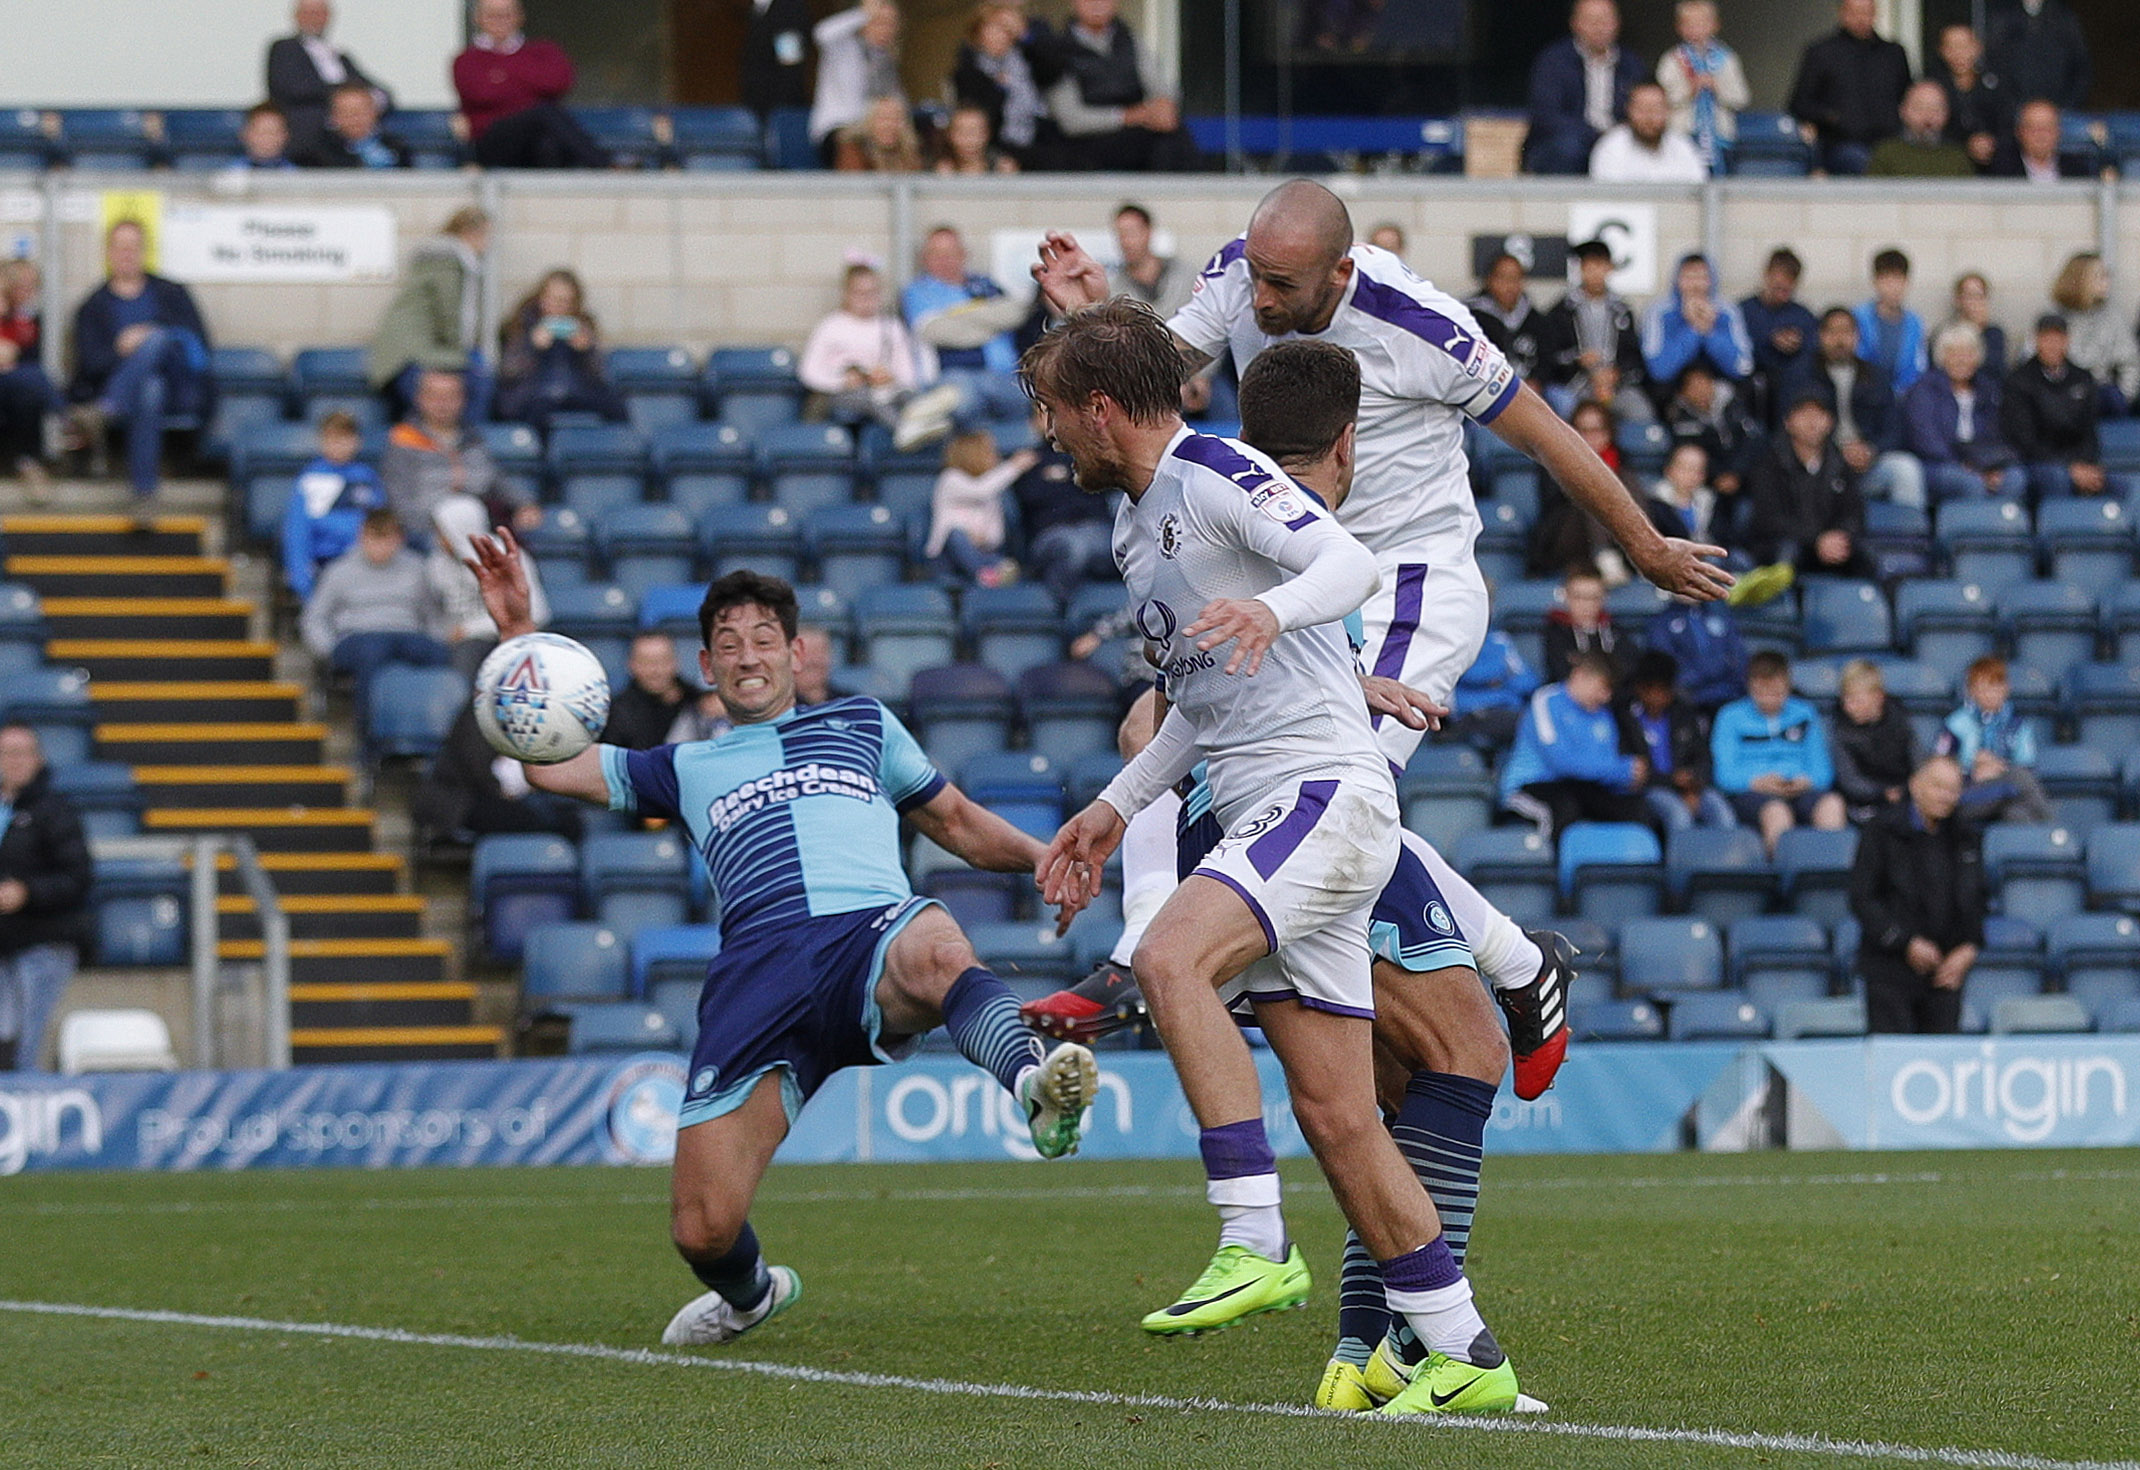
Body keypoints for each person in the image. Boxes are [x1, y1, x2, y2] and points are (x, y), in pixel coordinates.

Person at [1032, 180, 1732, 1108]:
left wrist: (1643, 546)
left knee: (1338, 782)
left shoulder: (1423, 326)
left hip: (1405, 583)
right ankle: (1180, 945)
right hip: (1284, 573)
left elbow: (1547, 433)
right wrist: (1091, 319)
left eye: (1283, 285)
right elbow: (1148, 382)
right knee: (1149, 728)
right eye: (1257, 278)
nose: (1262, 301)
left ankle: (1512, 969)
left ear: (1343, 271)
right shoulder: (1243, 280)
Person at [1026, 303, 1527, 1416]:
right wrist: (1111, 810)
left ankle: (1254, 1237)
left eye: (1054, 411)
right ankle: (1463, 1352)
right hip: (1267, 804)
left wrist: (1269, 607)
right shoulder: (1133, 528)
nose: (1049, 432)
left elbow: (1345, 559)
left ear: (1100, 409)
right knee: (1339, 1114)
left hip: (1320, 798)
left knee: (1166, 963)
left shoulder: (1215, 470)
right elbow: (1197, 708)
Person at [464, 545, 1100, 1347]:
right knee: (702, 1229)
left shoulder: (864, 723)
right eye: (728, 644)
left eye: (764, 638)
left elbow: (959, 825)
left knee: (939, 947)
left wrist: (1046, 856)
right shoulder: (683, 764)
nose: (747, 656)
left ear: (796, 652)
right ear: (705, 666)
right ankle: (752, 1295)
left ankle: (1033, 1085)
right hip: (757, 976)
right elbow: (552, 767)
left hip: (867, 936)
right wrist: (520, 635)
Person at [65, 219, 213, 505]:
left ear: (144, 251)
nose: (127, 254)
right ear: (108, 253)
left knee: (156, 341)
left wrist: (146, 336)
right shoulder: (93, 306)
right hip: (129, 390)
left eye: (133, 247)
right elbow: (89, 365)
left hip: (178, 389)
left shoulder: (172, 294)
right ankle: (145, 495)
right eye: (121, 247)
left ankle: (106, 410)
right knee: (149, 389)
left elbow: (198, 344)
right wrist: (120, 349)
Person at [1850, 755, 1983, 1035]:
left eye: (1953, 789)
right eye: (1938, 786)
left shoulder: (1966, 837)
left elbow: (1978, 898)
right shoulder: (1880, 831)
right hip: (1890, 973)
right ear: (1915, 785)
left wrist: (1969, 947)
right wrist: (1905, 943)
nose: (1946, 797)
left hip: (1946, 977)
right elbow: (1862, 898)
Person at [299, 509, 450, 732]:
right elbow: (315, 617)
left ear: (399, 539)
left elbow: (432, 615)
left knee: (441, 656)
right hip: (359, 638)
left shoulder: (417, 568)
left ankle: (434, 734)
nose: (380, 546)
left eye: (386, 538)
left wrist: (439, 638)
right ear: (362, 536)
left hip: (406, 635)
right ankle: (370, 738)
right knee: (374, 653)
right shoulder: (339, 571)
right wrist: (327, 649)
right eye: (374, 538)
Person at [0, 725, 92, 1073]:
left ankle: (30, 1112)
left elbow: (78, 877)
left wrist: (26, 892)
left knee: (27, 1043)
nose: (14, 761)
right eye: (7, 753)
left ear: (38, 759)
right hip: (4, 947)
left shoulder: (55, 811)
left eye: (22, 752)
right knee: (5, 1039)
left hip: (42, 943)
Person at [1786, 306, 1925, 508]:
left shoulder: (1876, 377)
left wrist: (1871, 450)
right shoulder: (1800, 375)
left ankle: (1907, 537)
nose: (1840, 339)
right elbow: (1787, 429)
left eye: (1846, 332)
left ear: (1857, 336)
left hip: (1867, 463)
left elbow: (1893, 428)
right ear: (1820, 336)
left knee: (1905, 469)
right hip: (1818, 469)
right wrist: (1836, 453)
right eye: (1832, 332)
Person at [1710, 650, 1846, 855]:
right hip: (1753, 792)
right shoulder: (1730, 716)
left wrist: (1807, 781)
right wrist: (1758, 782)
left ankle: (1828, 878)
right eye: (1761, 692)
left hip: (1800, 789)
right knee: (1777, 813)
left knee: (1832, 805)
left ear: (1787, 685)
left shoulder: (1805, 713)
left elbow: (1822, 770)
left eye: (1776, 692)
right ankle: (1786, 879)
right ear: (1750, 686)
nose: (1769, 699)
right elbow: (1724, 775)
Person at [1500, 653, 1649, 838]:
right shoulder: (1546, 700)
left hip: (1581, 788)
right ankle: (1555, 866)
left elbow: (1604, 764)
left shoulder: (1603, 716)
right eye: (1602, 687)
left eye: (1610, 691)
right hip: (1532, 786)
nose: (1606, 697)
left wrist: (1629, 776)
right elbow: (1562, 762)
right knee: (1565, 809)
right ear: (1580, 675)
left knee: (1636, 809)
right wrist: (1624, 769)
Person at [367, 207, 492, 422]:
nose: (488, 244)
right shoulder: (451, 263)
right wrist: (463, 358)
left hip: (408, 355)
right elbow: (453, 319)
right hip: (411, 356)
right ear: (470, 233)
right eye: (486, 235)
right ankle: (468, 449)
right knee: (479, 381)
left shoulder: (440, 260)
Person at [382, 369, 540, 539]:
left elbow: (495, 480)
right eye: (434, 396)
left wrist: (524, 504)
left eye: (450, 396)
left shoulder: (474, 439)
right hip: (426, 537)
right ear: (419, 398)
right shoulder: (403, 440)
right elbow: (398, 502)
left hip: (476, 528)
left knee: (517, 558)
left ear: (463, 399)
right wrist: (435, 534)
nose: (442, 403)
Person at [452, 0, 609, 170]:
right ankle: (605, 166)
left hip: (537, 142)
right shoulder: (466, 61)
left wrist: (502, 76)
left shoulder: (544, 51)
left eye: (506, 15)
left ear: (519, 17)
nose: (499, 21)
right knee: (543, 112)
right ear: (478, 19)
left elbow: (560, 82)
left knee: (548, 144)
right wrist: (532, 87)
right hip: (492, 142)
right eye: (492, 15)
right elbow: (481, 94)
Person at [900, 226, 1028, 434]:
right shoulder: (918, 291)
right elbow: (935, 331)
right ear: (925, 259)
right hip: (956, 377)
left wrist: (960, 319)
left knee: (1030, 400)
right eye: (937, 255)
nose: (945, 260)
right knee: (963, 401)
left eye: (951, 254)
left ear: (963, 255)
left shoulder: (985, 285)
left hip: (1007, 378)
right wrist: (992, 322)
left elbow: (1016, 313)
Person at [1044, 0, 1194, 172]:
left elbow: (1160, 86)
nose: (1097, 4)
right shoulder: (1056, 50)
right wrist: (1128, 117)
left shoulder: (1131, 42)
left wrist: (1164, 105)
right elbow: (1071, 120)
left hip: (1138, 134)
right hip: (1088, 142)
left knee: (1175, 137)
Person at [1741, 390, 1874, 579]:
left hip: (1831, 545)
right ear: (1788, 422)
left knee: (1865, 557)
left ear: (1830, 422)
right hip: (1787, 545)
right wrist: (1815, 540)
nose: (1812, 421)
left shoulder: (1841, 465)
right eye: (1804, 413)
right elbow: (1769, 520)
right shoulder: (1768, 465)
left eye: (1819, 414)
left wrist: (1839, 536)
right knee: (1786, 554)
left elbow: (1854, 513)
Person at [427, 493, 547, 679]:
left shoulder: (508, 557)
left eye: (441, 531)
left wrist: (470, 629)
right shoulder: (436, 564)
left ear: (458, 528)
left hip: (511, 637)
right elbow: (433, 615)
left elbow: (539, 614)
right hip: (457, 643)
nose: (438, 539)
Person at [422, 705, 583, 843]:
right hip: (466, 799)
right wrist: (504, 790)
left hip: (522, 795)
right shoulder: (480, 712)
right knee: (525, 819)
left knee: (570, 822)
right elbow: (476, 768)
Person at [1902, 322, 2025, 502]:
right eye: (1954, 353)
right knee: (1970, 483)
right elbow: (1925, 439)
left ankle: (2002, 529)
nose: (1961, 359)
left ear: (1977, 357)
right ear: (1942, 357)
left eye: (1968, 353)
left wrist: (1991, 466)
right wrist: (1965, 465)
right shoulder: (1924, 389)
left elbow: (1998, 434)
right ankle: (1974, 530)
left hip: (1982, 463)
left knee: (2014, 478)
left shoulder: (1988, 389)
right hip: (1939, 464)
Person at [1787, 0, 1912, 176]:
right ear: (1842, 13)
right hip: (1841, 144)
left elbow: (1908, 97)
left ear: (1875, 13)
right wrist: (1832, 117)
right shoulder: (1821, 52)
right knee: (1863, 163)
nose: (1861, 18)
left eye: (1866, 12)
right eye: (1854, 12)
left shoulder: (1894, 53)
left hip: (1891, 142)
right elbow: (1799, 104)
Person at [1523, 0, 1645, 177]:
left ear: (1617, 23)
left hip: (1617, 143)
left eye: (1605, 20)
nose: (1599, 27)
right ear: (1575, 24)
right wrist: (1595, 135)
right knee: (1569, 148)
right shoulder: (1553, 61)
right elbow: (1546, 116)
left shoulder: (1632, 64)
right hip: (1566, 144)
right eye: (1591, 21)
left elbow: (1641, 108)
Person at [1618, 649, 1734, 834]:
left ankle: (1728, 862)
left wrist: (1694, 783)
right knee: (1678, 814)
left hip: (1690, 787)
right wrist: (1672, 781)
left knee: (1721, 812)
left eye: (1664, 690)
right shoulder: (1623, 719)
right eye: (1652, 689)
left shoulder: (1683, 713)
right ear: (1640, 688)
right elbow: (1629, 772)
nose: (1658, 696)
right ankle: (1684, 863)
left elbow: (1702, 755)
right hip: (1649, 790)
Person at [494, 269, 626, 430]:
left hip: (575, 394)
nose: (559, 307)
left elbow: (602, 377)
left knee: (616, 406)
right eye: (554, 300)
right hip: (533, 398)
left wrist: (586, 351)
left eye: (566, 302)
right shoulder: (519, 325)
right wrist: (531, 347)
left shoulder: (583, 326)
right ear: (541, 298)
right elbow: (507, 373)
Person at [1538, 237, 1650, 422]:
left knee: (1640, 411)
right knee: (1565, 409)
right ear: (1581, 269)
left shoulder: (1622, 311)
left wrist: (1615, 373)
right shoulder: (1561, 311)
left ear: (1610, 268)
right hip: (1575, 387)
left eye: (1600, 266)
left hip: (1615, 386)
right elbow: (1550, 356)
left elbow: (1633, 357)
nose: (1595, 273)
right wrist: (1578, 360)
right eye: (1589, 267)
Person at [2004, 312, 2113, 501]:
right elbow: (2026, 441)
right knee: (2057, 478)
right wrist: (2070, 468)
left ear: (2067, 341)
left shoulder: (2083, 378)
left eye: (2058, 338)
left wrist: (2086, 466)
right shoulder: (2019, 381)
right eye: (2047, 339)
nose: (2053, 345)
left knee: (2130, 486)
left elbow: (2089, 432)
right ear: (2036, 341)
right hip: (2039, 464)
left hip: (2081, 464)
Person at [265, 0, 394, 159]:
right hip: (310, 136)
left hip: (346, 139)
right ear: (296, 16)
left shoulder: (339, 55)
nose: (314, 18)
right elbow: (293, 89)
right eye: (309, 13)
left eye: (320, 13)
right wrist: (344, 98)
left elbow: (373, 89)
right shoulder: (284, 48)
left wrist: (364, 104)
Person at [799, 261, 920, 430]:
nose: (866, 299)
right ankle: (906, 430)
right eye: (859, 293)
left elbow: (908, 375)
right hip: (841, 394)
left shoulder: (892, 326)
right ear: (846, 293)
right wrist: (841, 381)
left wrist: (889, 377)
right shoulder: (831, 325)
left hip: (885, 391)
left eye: (872, 293)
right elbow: (808, 372)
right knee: (870, 399)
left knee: (909, 397)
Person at [281, 410, 385, 602]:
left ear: (357, 441)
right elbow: (297, 533)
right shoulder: (309, 479)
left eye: (346, 438)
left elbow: (380, 524)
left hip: (365, 564)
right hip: (324, 566)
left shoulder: (367, 478)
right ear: (321, 441)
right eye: (333, 438)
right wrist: (302, 582)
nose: (339, 445)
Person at [1937, 655, 2053, 824]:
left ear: (2006, 688)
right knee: (2019, 779)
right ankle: (2052, 828)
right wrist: (1971, 772)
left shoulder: (2018, 726)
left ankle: (2038, 847)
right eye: (1983, 688)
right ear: (1971, 691)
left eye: (1996, 686)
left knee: (2015, 813)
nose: (1990, 693)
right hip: (1964, 796)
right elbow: (1939, 767)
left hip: (2005, 792)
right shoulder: (1955, 724)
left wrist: (1997, 769)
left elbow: (2028, 767)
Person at [1010, 410, 1114, 599]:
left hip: (1096, 529)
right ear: (1033, 422)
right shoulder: (1027, 461)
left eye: (1055, 413)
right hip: (1052, 534)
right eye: (1043, 415)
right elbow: (1030, 498)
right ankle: (1061, 615)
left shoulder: (1089, 457)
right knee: (1074, 547)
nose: (1052, 421)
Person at [951, 0, 1055, 172]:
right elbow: (981, 118)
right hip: (996, 148)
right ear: (978, 34)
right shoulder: (968, 70)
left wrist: (1026, 36)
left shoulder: (1026, 62)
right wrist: (999, 88)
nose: (999, 35)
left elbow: (1054, 69)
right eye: (992, 29)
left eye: (1005, 30)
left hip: (1033, 139)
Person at [927, 429, 1033, 585]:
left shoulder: (993, 491)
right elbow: (981, 490)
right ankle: (985, 577)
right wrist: (1014, 467)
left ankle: (990, 576)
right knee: (956, 536)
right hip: (948, 559)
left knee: (1007, 565)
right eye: (989, 453)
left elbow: (996, 536)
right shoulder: (950, 479)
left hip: (982, 553)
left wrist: (984, 540)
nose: (996, 457)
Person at [1642, 253, 1754, 394]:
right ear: (1677, 280)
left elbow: (1743, 367)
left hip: (1719, 385)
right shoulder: (1658, 312)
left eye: (1702, 278)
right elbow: (1659, 371)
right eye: (1689, 278)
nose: (1695, 285)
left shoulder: (1727, 311)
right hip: (1674, 388)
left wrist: (1709, 332)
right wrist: (1693, 330)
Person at [1656, 0, 1747, 173]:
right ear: (1679, 27)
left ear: (1715, 25)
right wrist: (1690, 90)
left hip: (1720, 137)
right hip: (1682, 135)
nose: (1696, 29)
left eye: (1702, 23)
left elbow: (1741, 98)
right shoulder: (1673, 59)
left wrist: (1716, 86)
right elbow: (1662, 100)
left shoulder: (1726, 58)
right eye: (1689, 24)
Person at [809, 0, 905, 165]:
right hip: (838, 128)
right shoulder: (843, 47)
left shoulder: (885, 60)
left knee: (908, 140)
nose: (885, 29)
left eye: (890, 24)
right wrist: (862, 13)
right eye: (879, 22)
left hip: (874, 130)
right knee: (855, 144)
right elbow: (821, 33)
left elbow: (896, 100)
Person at [2049, 251, 2138, 417]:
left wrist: (2124, 395)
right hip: (2062, 394)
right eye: (2100, 276)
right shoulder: (2054, 317)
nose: (2107, 282)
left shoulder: (2113, 317)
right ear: (2080, 279)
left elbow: (2130, 362)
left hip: (2102, 395)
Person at [0, 258, 62, 498]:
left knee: (27, 388)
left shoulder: (27, 322)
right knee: (32, 377)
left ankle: (29, 465)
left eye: (31, 286)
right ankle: (68, 417)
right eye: (19, 285)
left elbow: (20, 354)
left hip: (14, 390)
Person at [1831, 659, 1918, 825]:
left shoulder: (1901, 722)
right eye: (1846, 700)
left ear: (1878, 697)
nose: (1849, 707)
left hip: (1904, 796)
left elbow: (1918, 763)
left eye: (1857, 701)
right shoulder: (1841, 729)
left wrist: (1907, 790)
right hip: (1862, 803)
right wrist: (1882, 793)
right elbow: (1849, 779)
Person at [1739, 247, 1818, 426]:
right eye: (1779, 285)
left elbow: (1813, 352)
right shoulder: (1744, 311)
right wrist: (1770, 342)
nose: (1783, 291)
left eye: (1788, 287)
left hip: (1790, 388)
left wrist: (1797, 345)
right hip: (1752, 388)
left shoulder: (1802, 316)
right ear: (1767, 275)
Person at [1662, 361, 1758, 501]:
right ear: (1683, 393)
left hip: (1745, 476)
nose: (1700, 390)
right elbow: (1690, 450)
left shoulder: (1734, 403)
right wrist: (1718, 475)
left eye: (1703, 382)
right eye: (1692, 386)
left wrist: (1736, 473)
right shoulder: (1680, 418)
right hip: (1709, 482)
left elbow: (1753, 439)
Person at [1588, 82, 1707, 184]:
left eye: (1656, 109)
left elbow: (1698, 192)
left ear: (1668, 111)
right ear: (1629, 111)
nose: (1649, 117)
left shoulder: (1683, 147)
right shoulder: (1610, 148)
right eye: (1642, 109)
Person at [1645, 595, 1746, 713]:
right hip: (1685, 702)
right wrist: (1708, 673)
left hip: (1728, 697)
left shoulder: (1721, 616)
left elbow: (1739, 660)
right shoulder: (1661, 623)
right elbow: (1664, 668)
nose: (1691, 583)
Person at [1985, 0, 2090, 112]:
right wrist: (2015, 108)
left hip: (2060, 113)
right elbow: (1994, 66)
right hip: (2016, 114)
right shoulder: (2002, 19)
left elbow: (2081, 68)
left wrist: (2065, 107)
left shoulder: (2064, 18)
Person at [1928, 24, 2007, 168]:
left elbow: (2007, 123)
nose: (1959, 53)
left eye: (1965, 46)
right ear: (1942, 51)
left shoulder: (1995, 82)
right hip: (1946, 161)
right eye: (1951, 47)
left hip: (1994, 161)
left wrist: (1991, 143)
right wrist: (1966, 144)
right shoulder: (1932, 86)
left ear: (1978, 48)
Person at [1853, 248, 1927, 397]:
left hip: (1903, 399)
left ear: (1906, 282)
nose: (1893, 287)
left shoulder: (1915, 323)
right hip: (1866, 396)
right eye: (1886, 279)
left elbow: (1918, 366)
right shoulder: (1858, 317)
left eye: (1898, 279)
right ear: (1875, 281)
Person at [1867, 82, 1977, 177]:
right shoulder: (1886, 154)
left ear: (1946, 114)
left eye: (1936, 109)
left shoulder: (1957, 157)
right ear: (1903, 111)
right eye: (1919, 108)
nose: (1928, 116)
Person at [1465, 253, 1544, 384]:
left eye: (1515, 279)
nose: (1509, 286)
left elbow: (1547, 358)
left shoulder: (1533, 317)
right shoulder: (1471, 315)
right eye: (1503, 278)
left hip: (1528, 386)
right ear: (1489, 280)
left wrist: (1537, 380)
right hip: (1485, 387)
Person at [604, 632, 690, 750]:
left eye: (663, 661)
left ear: (676, 662)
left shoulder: (701, 704)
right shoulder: (616, 714)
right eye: (646, 662)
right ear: (631, 665)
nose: (655, 670)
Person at [1542, 568, 1626, 684]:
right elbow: (1560, 671)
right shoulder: (1557, 632)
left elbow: (1627, 669)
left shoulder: (1615, 631)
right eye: (1579, 597)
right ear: (1566, 596)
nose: (1586, 605)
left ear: (1604, 598)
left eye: (1594, 598)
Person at [299, 81, 410, 168]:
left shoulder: (397, 148)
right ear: (333, 116)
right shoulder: (316, 154)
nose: (355, 118)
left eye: (362, 111)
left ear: (375, 112)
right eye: (347, 112)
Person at [1111, 203, 1190, 319]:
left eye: (1132, 233)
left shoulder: (1185, 277)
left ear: (1148, 232)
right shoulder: (1115, 290)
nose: (1126, 242)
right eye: (1121, 235)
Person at [741, 0, 812, 120]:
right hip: (757, 109)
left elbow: (790, 64)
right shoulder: (759, 8)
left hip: (780, 112)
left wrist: (780, 114)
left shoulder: (788, 8)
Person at [1990, 98, 2089, 181]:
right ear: (2019, 132)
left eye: (2048, 127)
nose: (2041, 135)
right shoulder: (2001, 171)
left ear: (2058, 132)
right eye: (2033, 128)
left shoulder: (2078, 171)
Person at [1647, 441, 1722, 549]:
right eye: (1685, 469)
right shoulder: (1655, 502)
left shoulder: (1709, 500)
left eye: (1699, 470)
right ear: (1669, 470)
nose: (1692, 475)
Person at [835, 95, 924, 172]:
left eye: (896, 120)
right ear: (870, 122)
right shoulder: (854, 147)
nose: (889, 125)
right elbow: (855, 184)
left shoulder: (908, 150)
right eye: (883, 119)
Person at [1946, 272, 2009, 380]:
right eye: (1969, 295)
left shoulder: (1994, 334)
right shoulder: (1944, 333)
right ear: (1958, 300)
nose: (1974, 302)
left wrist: (1977, 330)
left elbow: (1995, 369)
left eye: (1979, 296)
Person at [932, 103, 1015, 175]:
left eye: (975, 132)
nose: (969, 140)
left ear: (987, 134)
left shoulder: (1002, 169)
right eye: (962, 133)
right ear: (949, 135)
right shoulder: (942, 170)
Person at [237, 102, 298, 169]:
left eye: (273, 132)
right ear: (245, 134)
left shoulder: (300, 176)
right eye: (260, 132)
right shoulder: (228, 173)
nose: (267, 138)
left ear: (285, 136)